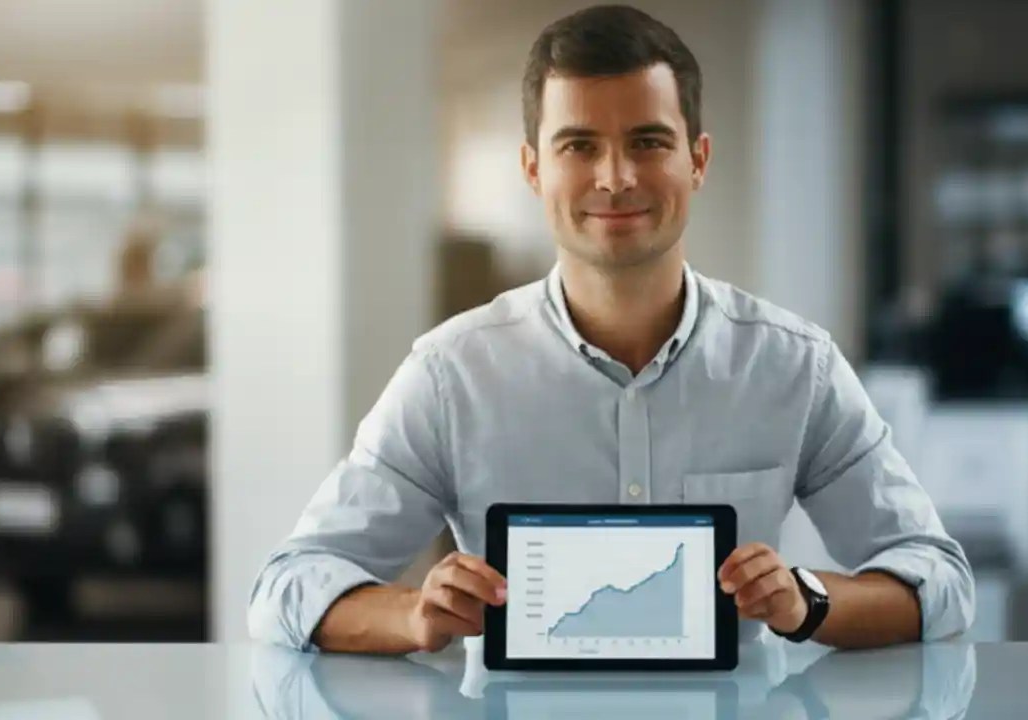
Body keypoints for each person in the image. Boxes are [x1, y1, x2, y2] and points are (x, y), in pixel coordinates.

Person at [248, 3, 973, 655]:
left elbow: (940, 580)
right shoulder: (450, 375)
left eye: (649, 142)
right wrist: (414, 615)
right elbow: (287, 586)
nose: (616, 176)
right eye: (579, 146)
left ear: (698, 159)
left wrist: (807, 601)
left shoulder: (794, 367)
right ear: (533, 168)